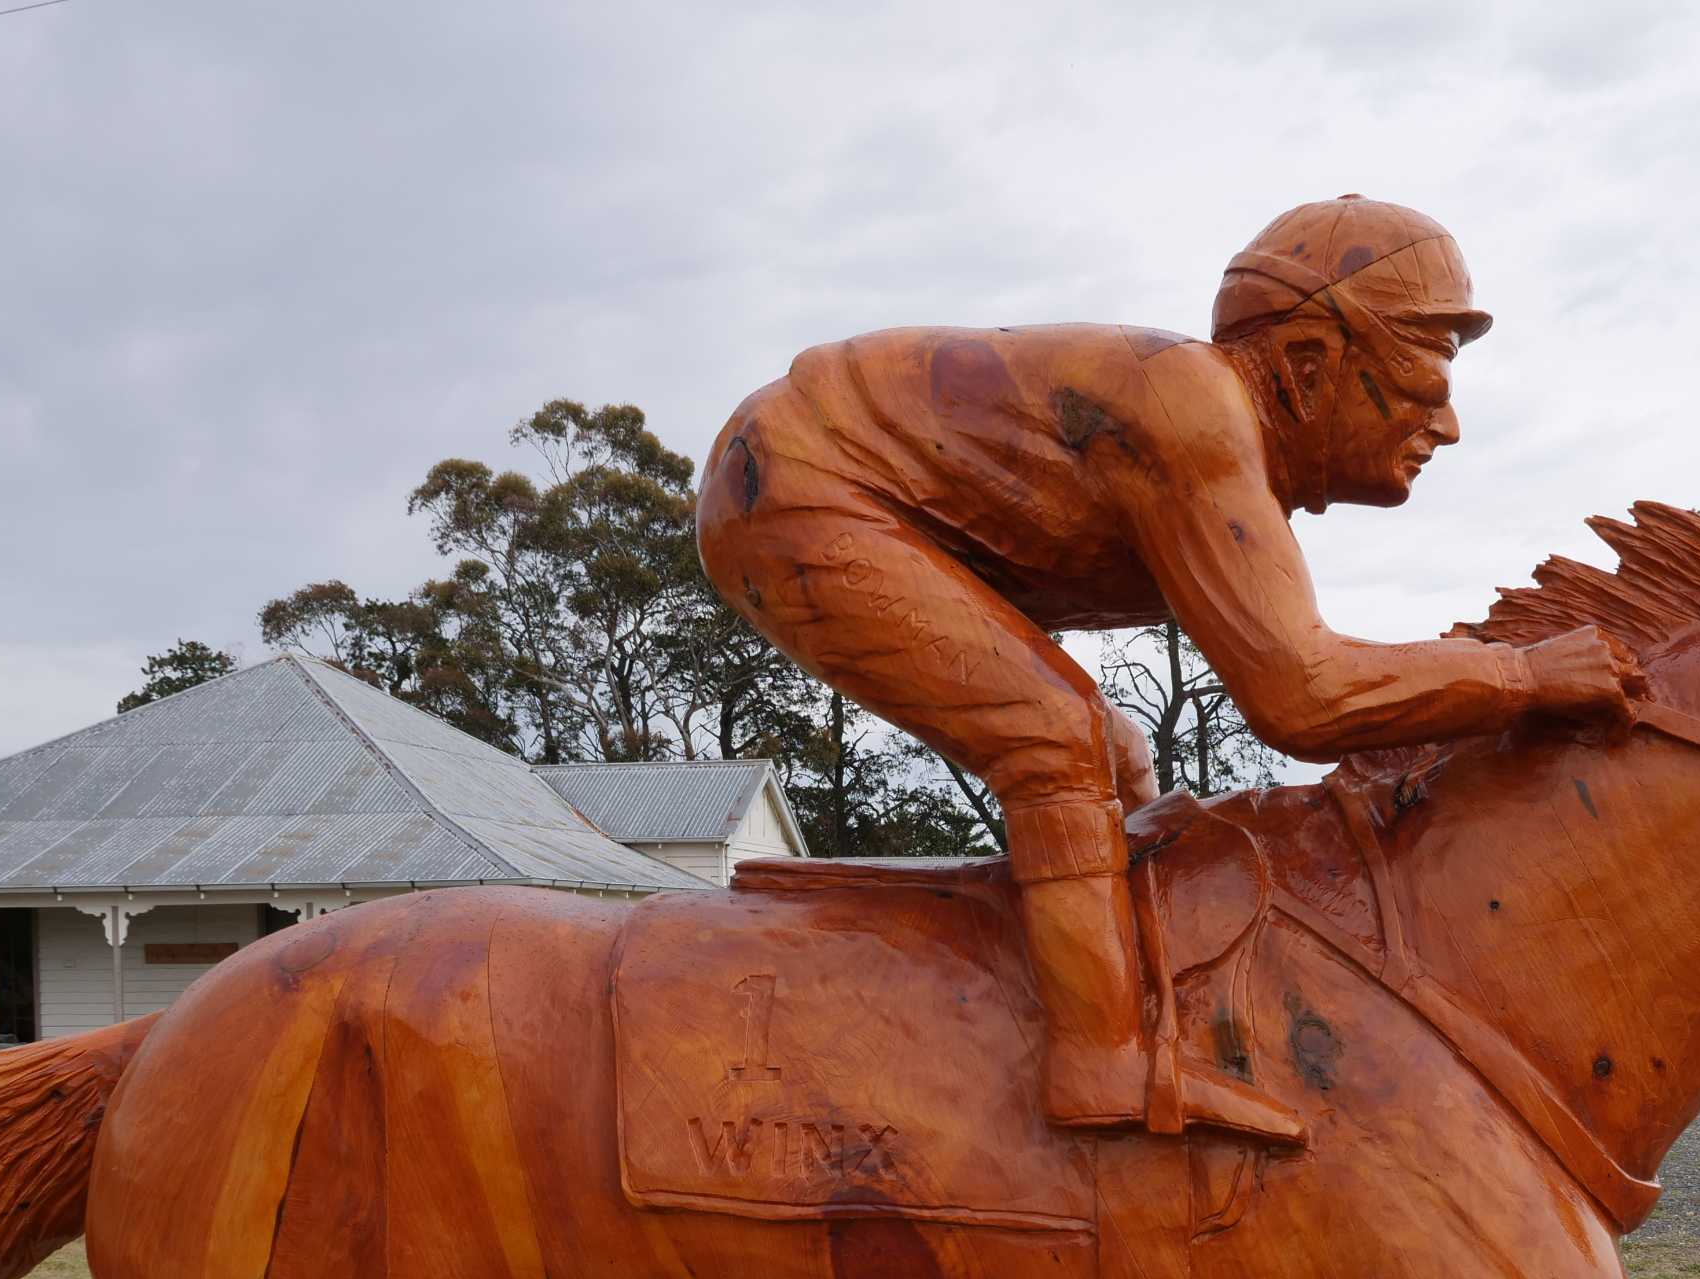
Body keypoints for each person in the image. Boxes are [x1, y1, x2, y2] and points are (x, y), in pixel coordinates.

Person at [698, 195, 1642, 1139]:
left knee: (1112, 741)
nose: (1449, 426)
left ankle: (1129, 978)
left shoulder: (1207, 424)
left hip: (838, 477)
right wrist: (1524, 675)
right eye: (1426, 384)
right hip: (797, 480)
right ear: (1311, 367)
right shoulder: (1194, 410)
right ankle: (1099, 1066)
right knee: (1055, 737)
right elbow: (1303, 696)